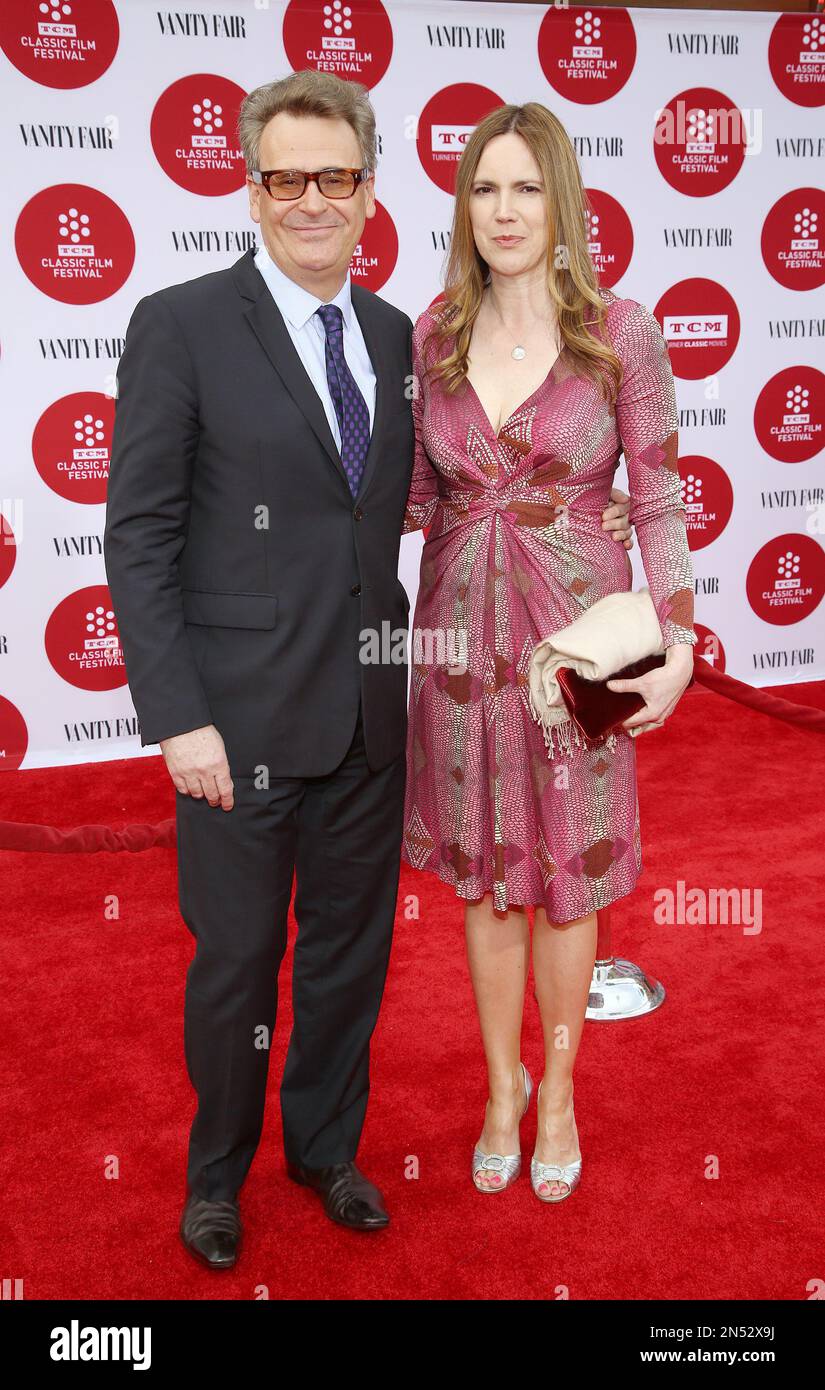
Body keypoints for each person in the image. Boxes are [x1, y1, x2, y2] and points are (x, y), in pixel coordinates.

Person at [103, 71, 635, 1269]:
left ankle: (326, 1149)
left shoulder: (406, 337)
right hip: (232, 727)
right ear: (252, 188)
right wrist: (176, 717)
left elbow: (431, 511)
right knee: (238, 965)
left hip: (371, 714)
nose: (310, 201)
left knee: (351, 951)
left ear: (368, 191)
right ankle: (217, 1179)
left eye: (334, 178)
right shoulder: (179, 323)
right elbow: (136, 534)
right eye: (285, 177)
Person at [400, 102, 697, 1202]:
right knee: (486, 880)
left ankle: (562, 1092)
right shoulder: (431, 336)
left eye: (527, 187)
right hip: (460, 639)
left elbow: (660, 498)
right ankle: (501, 1088)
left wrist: (677, 641)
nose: (506, 209)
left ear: (562, 198)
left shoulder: (623, 330)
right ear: (464, 205)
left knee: (568, 877)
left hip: (575, 643)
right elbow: (414, 496)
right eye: (486, 187)